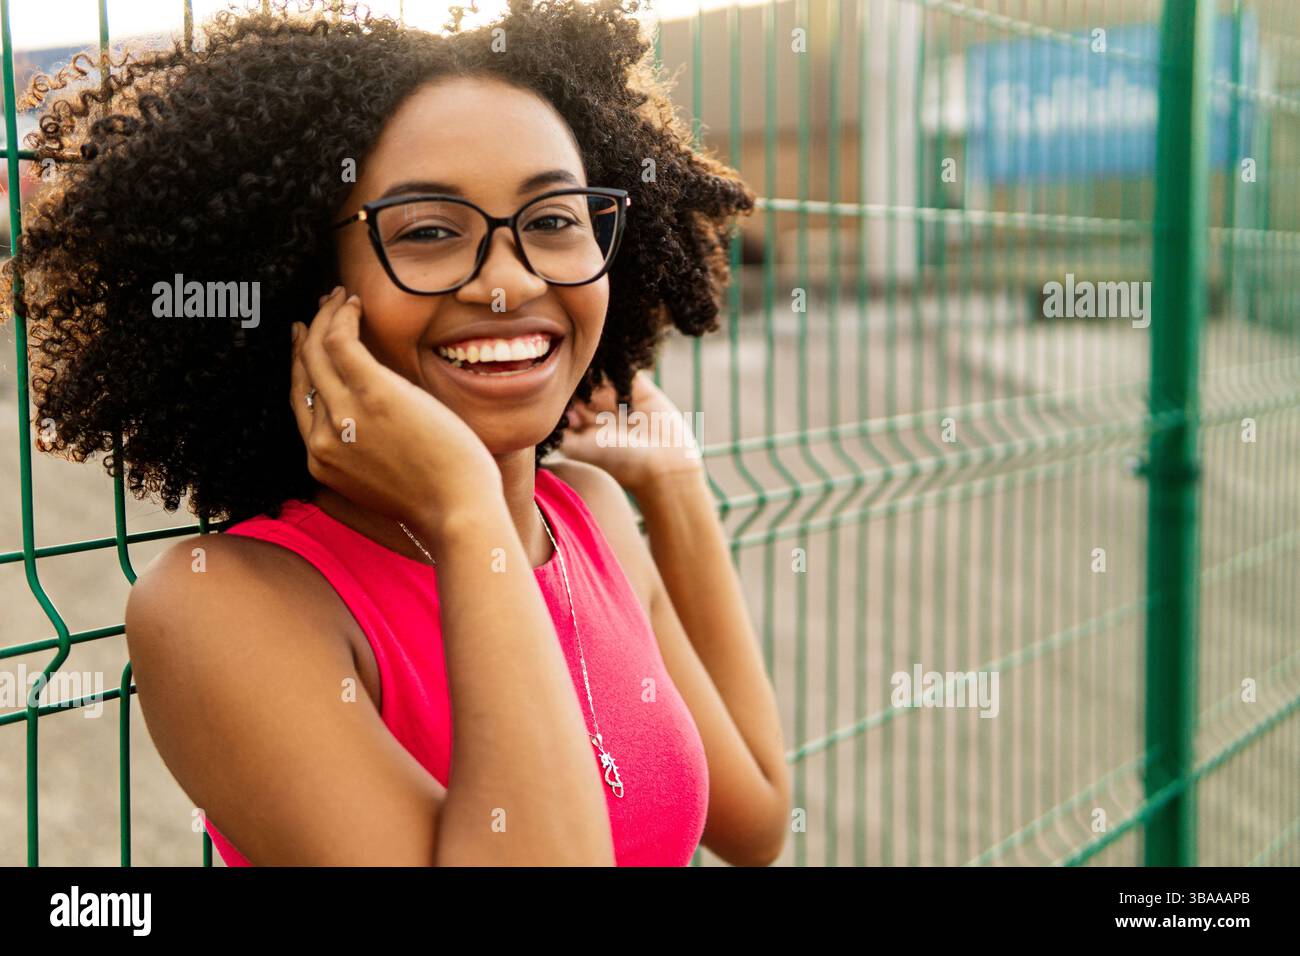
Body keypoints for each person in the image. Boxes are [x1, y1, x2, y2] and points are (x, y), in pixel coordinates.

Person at [3, 0, 790, 866]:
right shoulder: (224, 605)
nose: (507, 281)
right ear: (307, 280)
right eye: (427, 232)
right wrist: (464, 510)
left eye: (556, 220)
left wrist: (675, 486)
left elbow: (754, 823)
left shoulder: (590, 516)